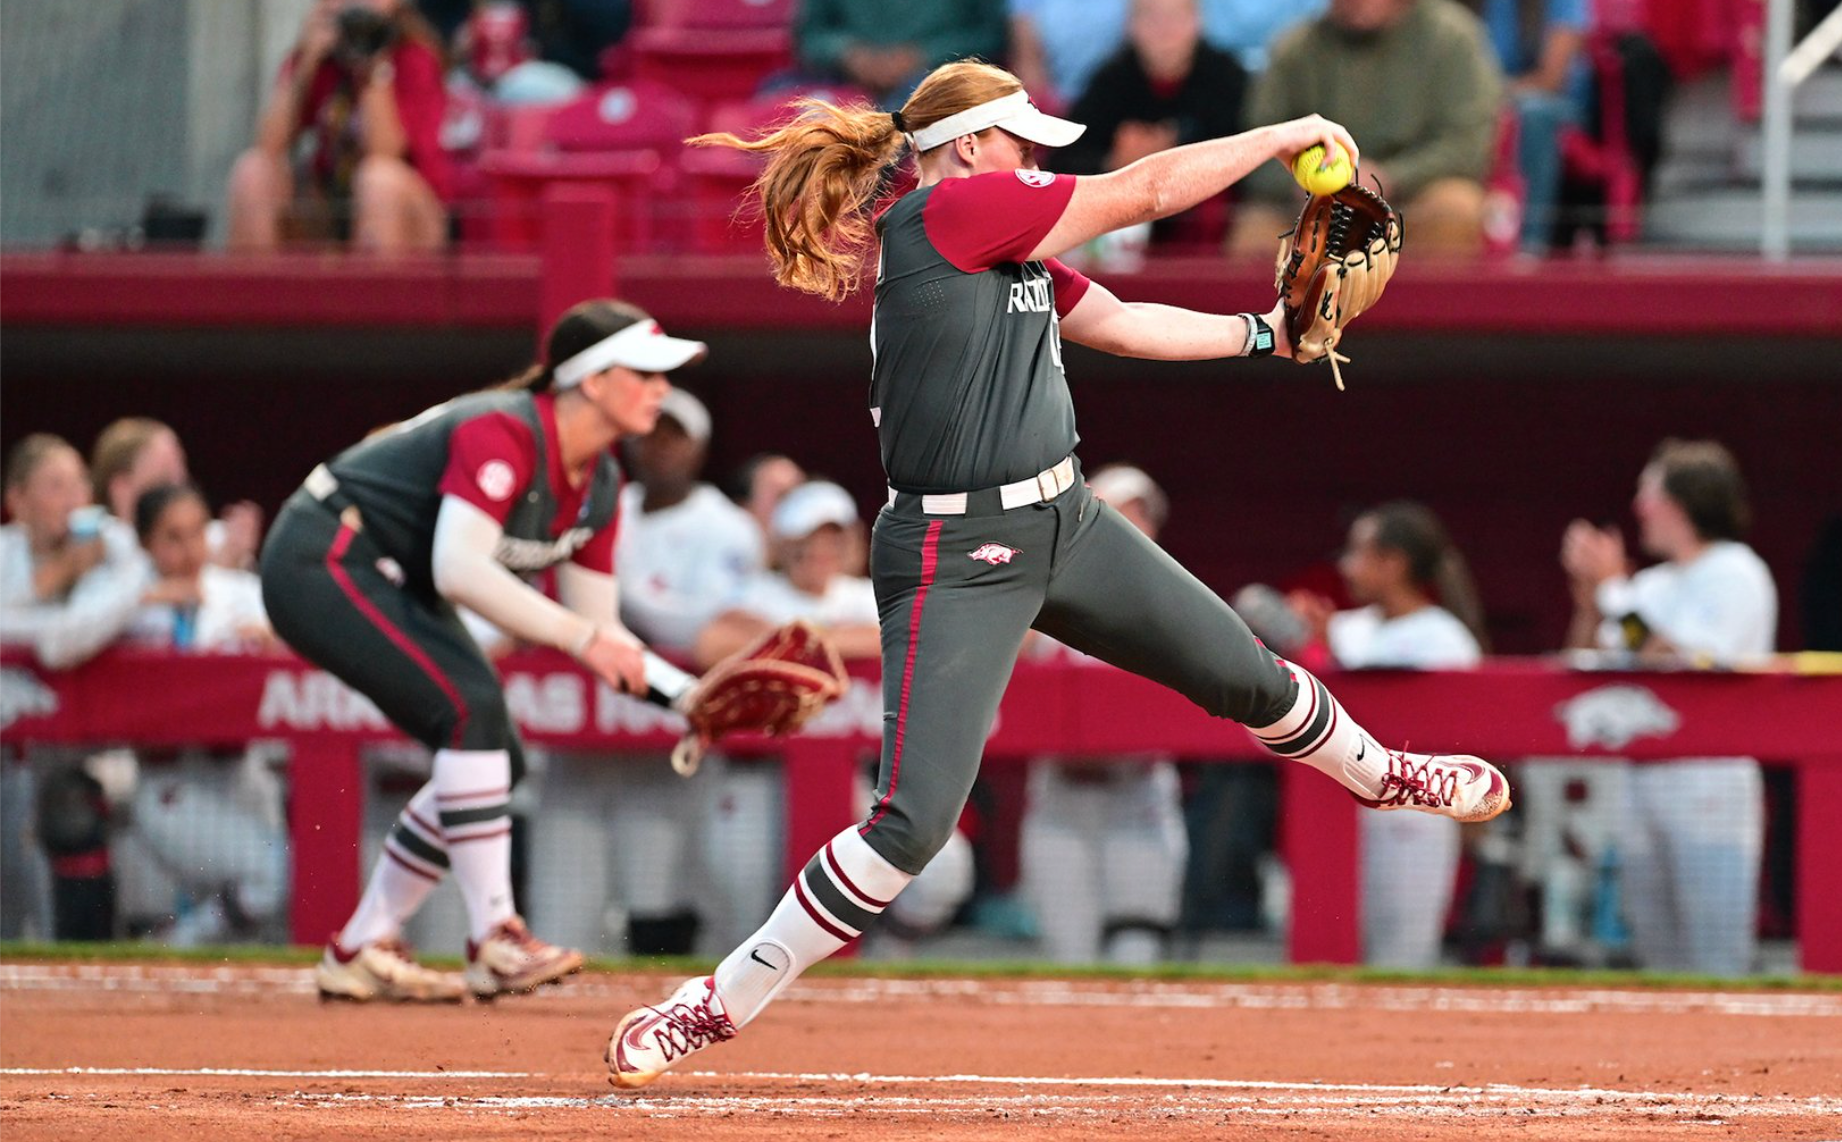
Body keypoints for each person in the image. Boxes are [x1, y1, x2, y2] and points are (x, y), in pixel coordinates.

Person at [605, 59, 1510, 1087]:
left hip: (1065, 518)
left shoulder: (997, 239)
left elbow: (1119, 321)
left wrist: (1266, 334)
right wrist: (1276, 136)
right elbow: (1145, 191)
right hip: (955, 550)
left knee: (1247, 674)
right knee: (911, 824)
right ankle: (714, 1002)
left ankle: (1382, 774)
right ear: (971, 144)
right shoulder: (951, 210)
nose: (1033, 155)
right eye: (1020, 138)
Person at [259, 298, 707, 1000]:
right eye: (644, 373)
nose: (662, 389)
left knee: (497, 753)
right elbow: (459, 570)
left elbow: (602, 632)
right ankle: (495, 935)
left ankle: (362, 944)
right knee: (470, 714)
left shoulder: (601, 484)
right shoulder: (505, 429)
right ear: (592, 381)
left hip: (390, 574)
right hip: (321, 554)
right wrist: (584, 638)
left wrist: (689, 696)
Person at [1559, 439, 1775, 976]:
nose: (1639, 507)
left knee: (1716, 952)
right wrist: (1590, 597)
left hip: (1710, 783)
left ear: (1683, 502)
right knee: (1656, 953)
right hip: (1642, 780)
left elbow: (1683, 659)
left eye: (1649, 493)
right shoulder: (1651, 585)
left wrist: (1613, 589)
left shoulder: (1736, 571)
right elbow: (1587, 659)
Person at [1286, 501, 1486, 968]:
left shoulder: (1444, 638)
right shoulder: (1348, 627)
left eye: (1359, 552)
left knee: (1404, 958)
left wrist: (1332, 652)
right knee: (1330, 952)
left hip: (1413, 813)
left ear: (1394, 563)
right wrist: (1311, 642)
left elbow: (1440, 727)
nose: (1346, 565)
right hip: (1337, 809)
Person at [1018, 464, 1190, 965]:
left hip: (1138, 793)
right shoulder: (1044, 595)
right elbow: (1004, 654)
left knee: (1137, 949)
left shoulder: (1175, 598)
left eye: (1143, 517)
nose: (1135, 528)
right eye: (1120, 514)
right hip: (1060, 797)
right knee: (1068, 956)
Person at [113, 482, 289, 946]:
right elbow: (67, 639)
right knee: (273, 873)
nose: (190, 549)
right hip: (167, 782)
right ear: (145, 543)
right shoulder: (124, 603)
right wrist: (146, 598)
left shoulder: (239, 591)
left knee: (264, 911)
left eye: (196, 532)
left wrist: (270, 646)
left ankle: (170, 943)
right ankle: (167, 945)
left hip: (239, 777)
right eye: (173, 537)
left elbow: (294, 652)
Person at [1228, 0, 1503, 258]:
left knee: (1454, 207)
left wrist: (1389, 178)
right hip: (1313, 203)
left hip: (1413, 196)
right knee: (1256, 232)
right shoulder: (1295, 48)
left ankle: (1429, 298)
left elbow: (1467, 145)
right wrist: (1302, 185)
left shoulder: (1453, 39)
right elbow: (1257, 149)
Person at [227, 0, 453, 253]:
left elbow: (385, 152)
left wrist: (373, 67)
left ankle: (374, 281)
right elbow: (269, 144)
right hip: (331, 203)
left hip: (408, 209)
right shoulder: (324, 58)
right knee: (253, 170)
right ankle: (255, 278)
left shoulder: (414, 58)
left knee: (377, 179)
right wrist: (307, 62)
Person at [1054, 0, 1247, 254]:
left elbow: (1248, 155)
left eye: (1175, 17)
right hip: (1126, 221)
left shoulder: (1227, 78)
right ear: (1130, 25)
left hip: (1206, 219)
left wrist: (1172, 155)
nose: (1164, 29)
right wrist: (1113, 161)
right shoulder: (1110, 81)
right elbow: (1063, 161)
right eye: (1151, 17)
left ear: (1197, 21)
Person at [1457, 0, 1592, 252]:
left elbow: (1552, 80)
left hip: (1559, 108)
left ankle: (1530, 245)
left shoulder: (1564, 4)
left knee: (1532, 114)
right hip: (1494, 102)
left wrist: (1493, 98)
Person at [795, 0, 1007, 109]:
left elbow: (991, 35)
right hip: (846, 77)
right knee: (786, 98)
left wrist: (924, 55)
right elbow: (810, 36)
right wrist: (849, 53)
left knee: (914, 103)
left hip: (939, 77)